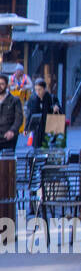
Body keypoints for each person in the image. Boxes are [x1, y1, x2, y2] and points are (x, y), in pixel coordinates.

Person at [0, 75, 20, 210]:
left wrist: (12, 131)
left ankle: (7, 193)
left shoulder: (14, 100)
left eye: (2, 84)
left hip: (8, 138)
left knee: (8, 167)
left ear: (6, 85)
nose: (0, 86)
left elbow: (19, 118)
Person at [25, 77, 64, 148]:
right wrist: (27, 128)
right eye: (36, 90)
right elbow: (30, 113)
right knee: (37, 146)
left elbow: (52, 108)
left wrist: (54, 108)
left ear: (45, 89)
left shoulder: (49, 97)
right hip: (38, 126)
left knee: (48, 146)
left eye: (40, 89)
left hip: (48, 124)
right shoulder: (33, 98)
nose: (38, 92)